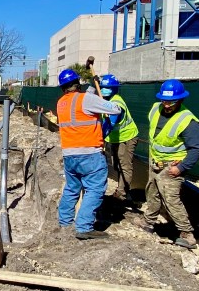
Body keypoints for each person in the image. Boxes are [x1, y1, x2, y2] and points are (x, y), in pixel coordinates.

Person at [56, 68, 121, 240]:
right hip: (90, 153)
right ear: (78, 83)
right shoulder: (86, 99)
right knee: (95, 188)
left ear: (63, 87)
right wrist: (114, 105)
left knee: (72, 188)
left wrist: (93, 88)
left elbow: (82, 106)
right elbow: (114, 109)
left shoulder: (61, 103)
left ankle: (65, 222)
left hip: (69, 154)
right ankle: (84, 227)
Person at [142, 79, 199, 250]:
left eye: (171, 102)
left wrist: (181, 168)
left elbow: (198, 149)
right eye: (164, 100)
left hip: (171, 166)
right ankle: (148, 222)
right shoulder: (156, 108)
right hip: (155, 161)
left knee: (171, 199)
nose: (167, 105)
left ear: (180, 100)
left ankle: (187, 235)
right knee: (152, 192)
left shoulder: (187, 121)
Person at [99, 73, 139, 206]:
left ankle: (121, 195)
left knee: (125, 166)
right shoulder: (105, 100)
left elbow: (111, 122)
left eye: (108, 88)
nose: (104, 90)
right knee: (117, 165)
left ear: (114, 89)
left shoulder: (116, 103)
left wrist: (99, 138)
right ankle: (123, 190)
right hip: (115, 138)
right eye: (103, 87)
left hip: (126, 137)